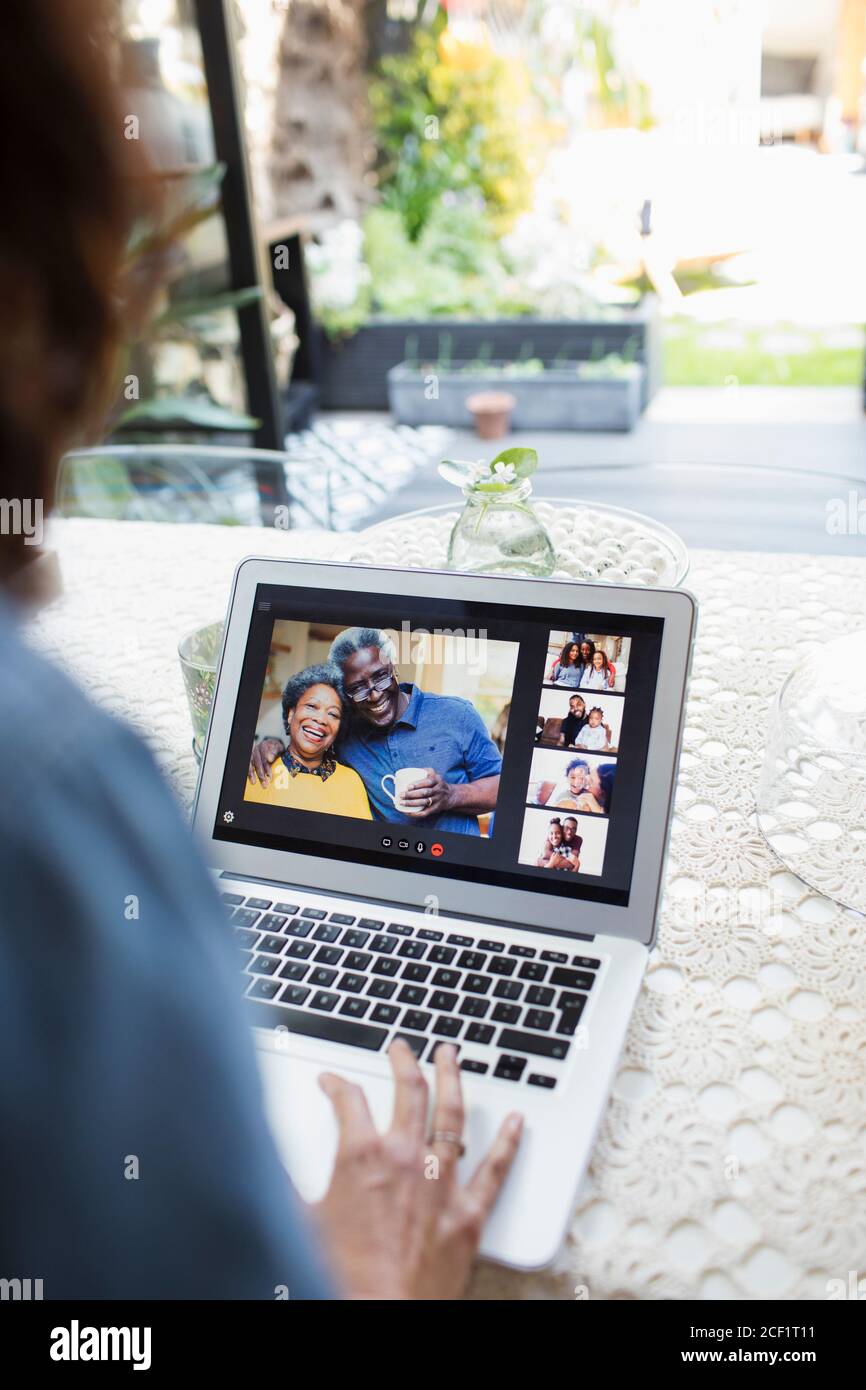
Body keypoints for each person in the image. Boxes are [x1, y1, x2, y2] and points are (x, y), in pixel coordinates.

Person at [0, 0, 522, 1300]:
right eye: (336, 685)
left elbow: (515, 796)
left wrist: (455, 793)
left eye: (367, 677)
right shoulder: (60, 793)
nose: (359, 689)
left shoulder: (444, 733)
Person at [250, 627, 502, 836]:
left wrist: (450, 795)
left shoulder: (457, 714)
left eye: (381, 677)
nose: (374, 695)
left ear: (394, 668)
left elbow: (502, 787)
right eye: (358, 688)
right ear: (347, 695)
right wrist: (271, 747)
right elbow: (312, 741)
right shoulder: (348, 732)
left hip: (453, 864)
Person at [244, 664, 371, 819]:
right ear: (291, 714)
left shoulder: (351, 783)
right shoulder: (257, 770)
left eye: (333, 714)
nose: (321, 719)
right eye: (311, 706)